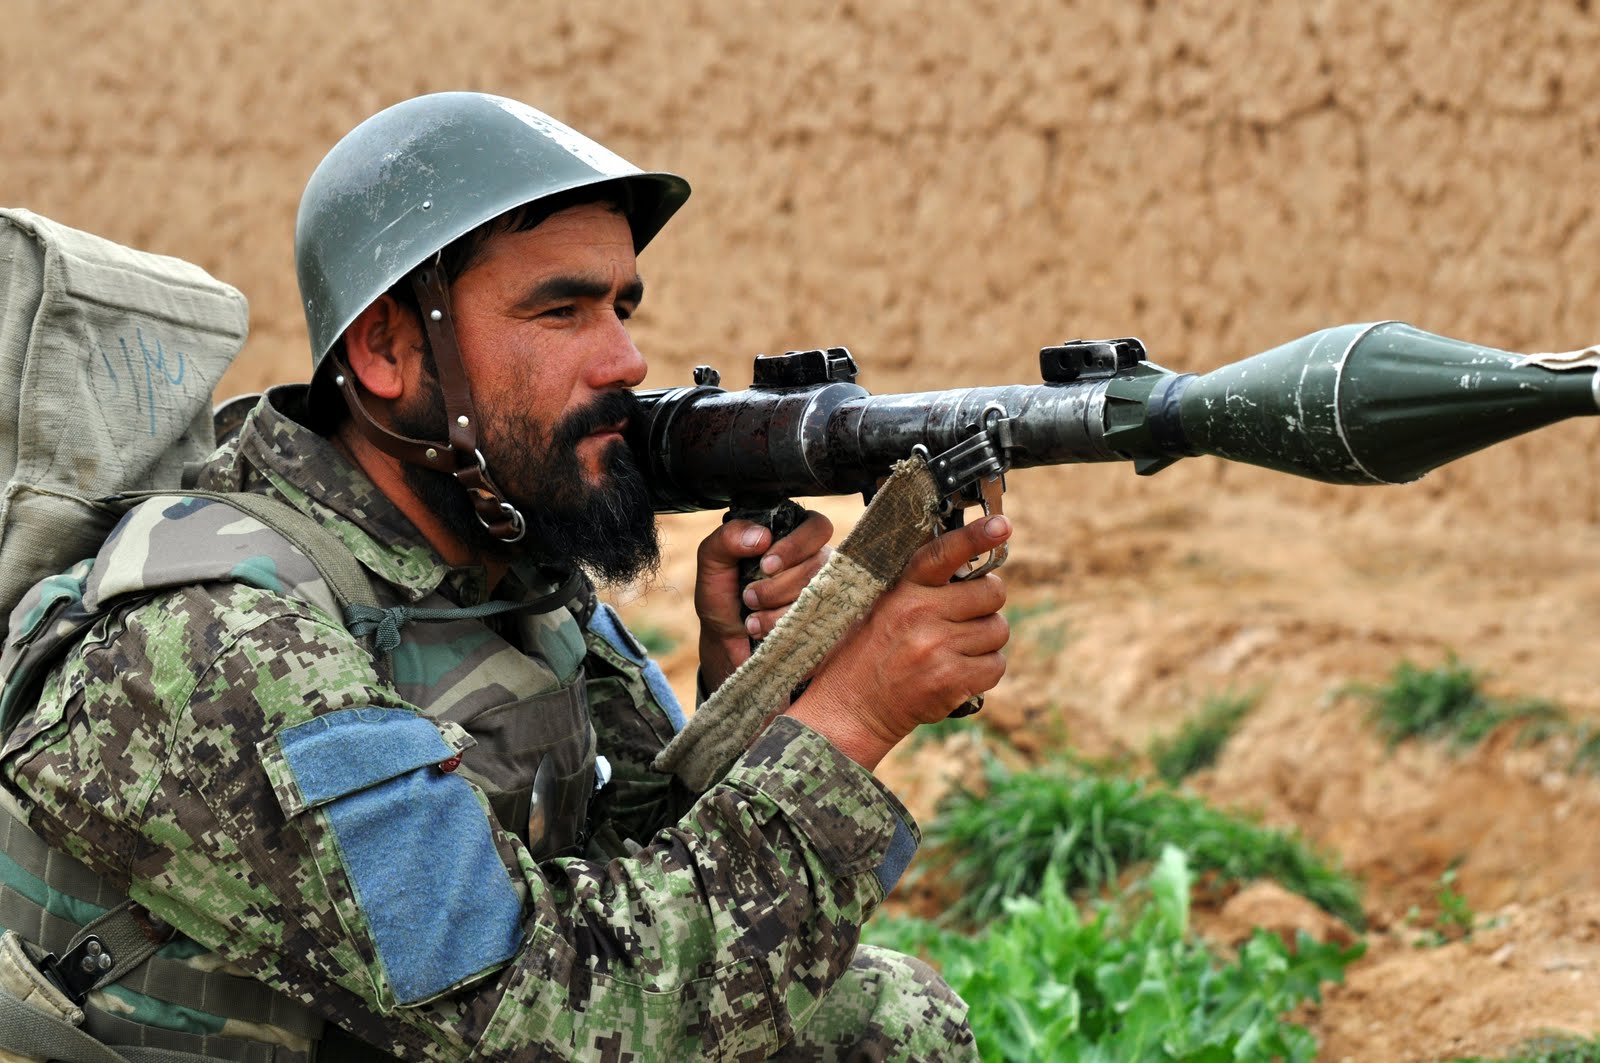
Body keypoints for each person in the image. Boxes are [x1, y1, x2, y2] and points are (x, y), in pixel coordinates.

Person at [0, 92, 1011, 1061]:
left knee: (882, 1022)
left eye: (621, 306)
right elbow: (573, 1021)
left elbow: (622, 879)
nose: (626, 359)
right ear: (388, 349)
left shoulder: (495, 575)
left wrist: (748, 698)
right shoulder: (222, 639)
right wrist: (850, 719)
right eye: (561, 310)